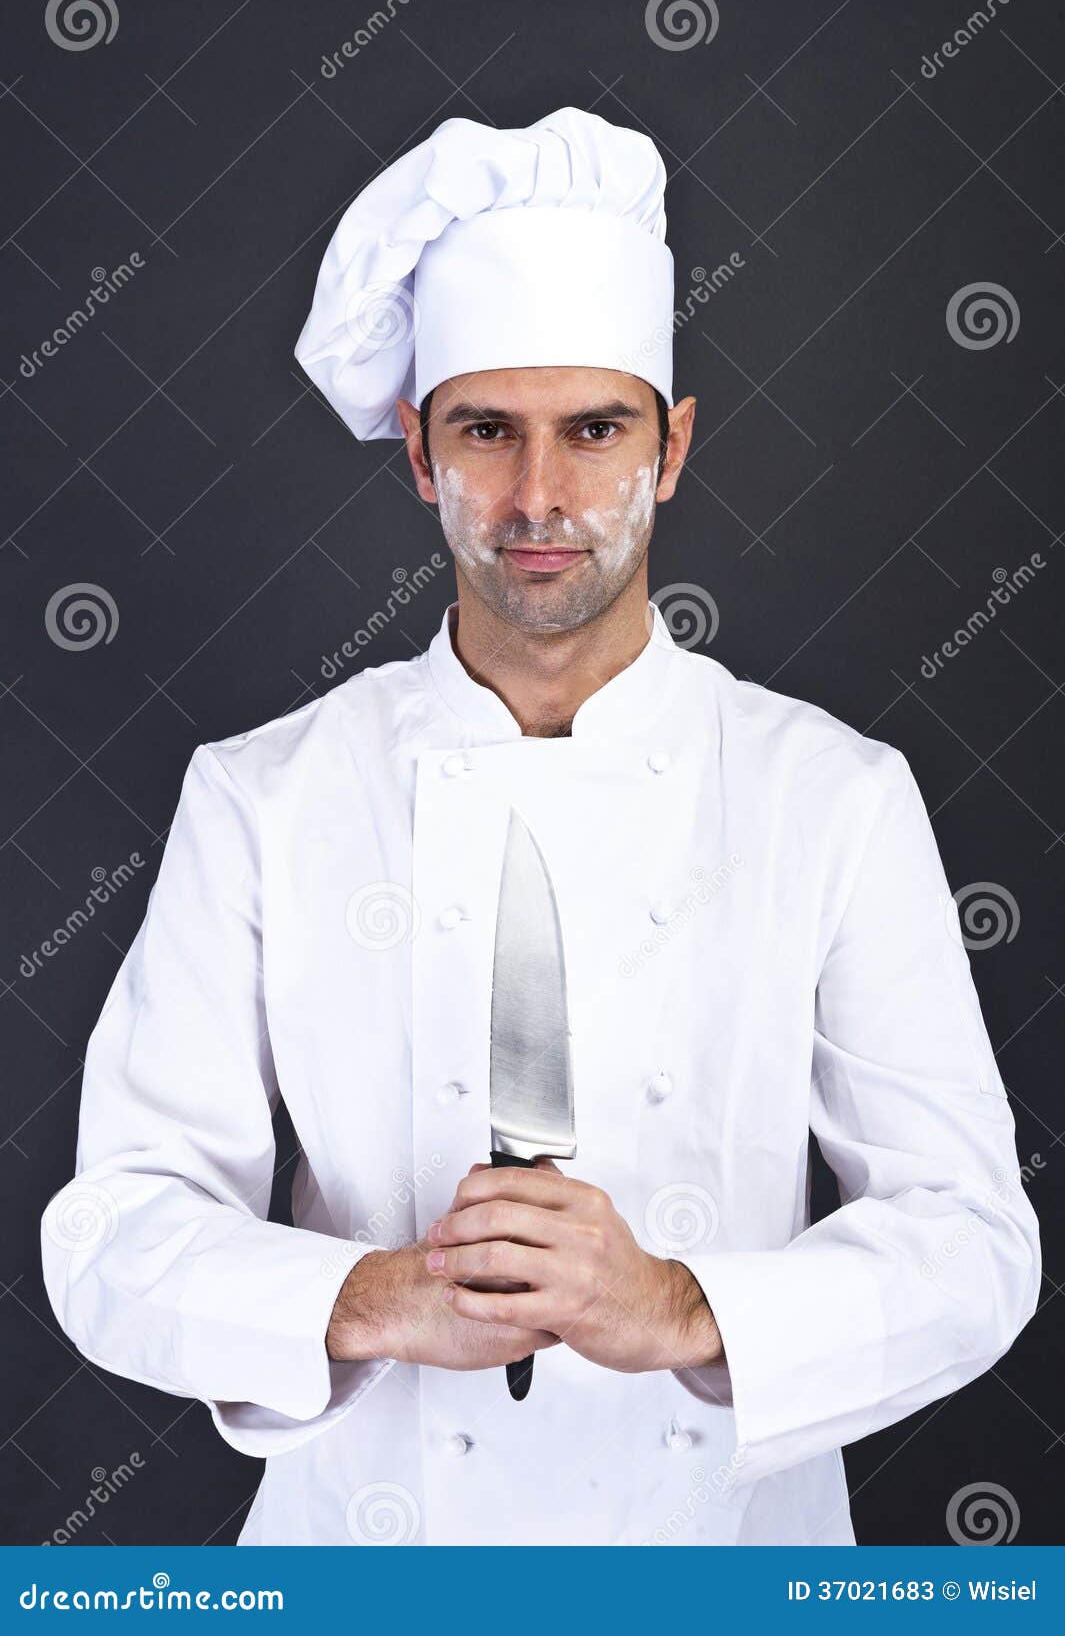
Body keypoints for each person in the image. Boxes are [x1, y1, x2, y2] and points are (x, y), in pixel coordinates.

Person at [41, 107, 1040, 1547]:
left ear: (672, 447)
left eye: (594, 430)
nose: (539, 499)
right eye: (486, 432)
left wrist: (677, 1309)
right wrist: (375, 1296)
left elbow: (973, 1242)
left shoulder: (830, 795)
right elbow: (115, 1230)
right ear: (417, 452)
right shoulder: (266, 794)